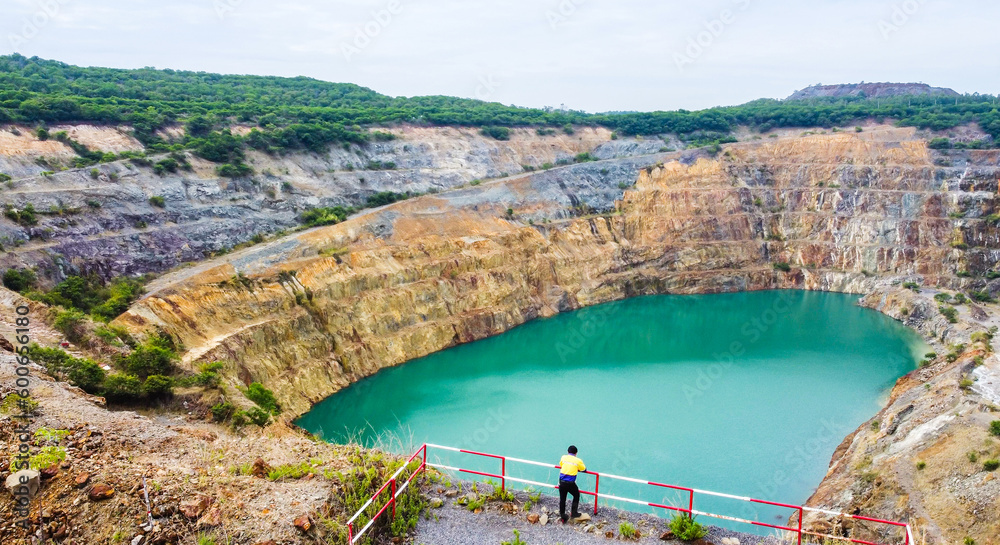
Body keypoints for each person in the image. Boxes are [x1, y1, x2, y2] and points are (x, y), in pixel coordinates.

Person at [557, 445, 586, 523]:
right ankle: (574, 513)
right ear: (576, 453)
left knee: (562, 499)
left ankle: (563, 515)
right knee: (576, 495)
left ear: (568, 452)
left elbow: (561, 465)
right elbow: (583, 469)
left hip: (561, 482)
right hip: (570, 483)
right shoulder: (578, 460)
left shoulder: (563, 457)